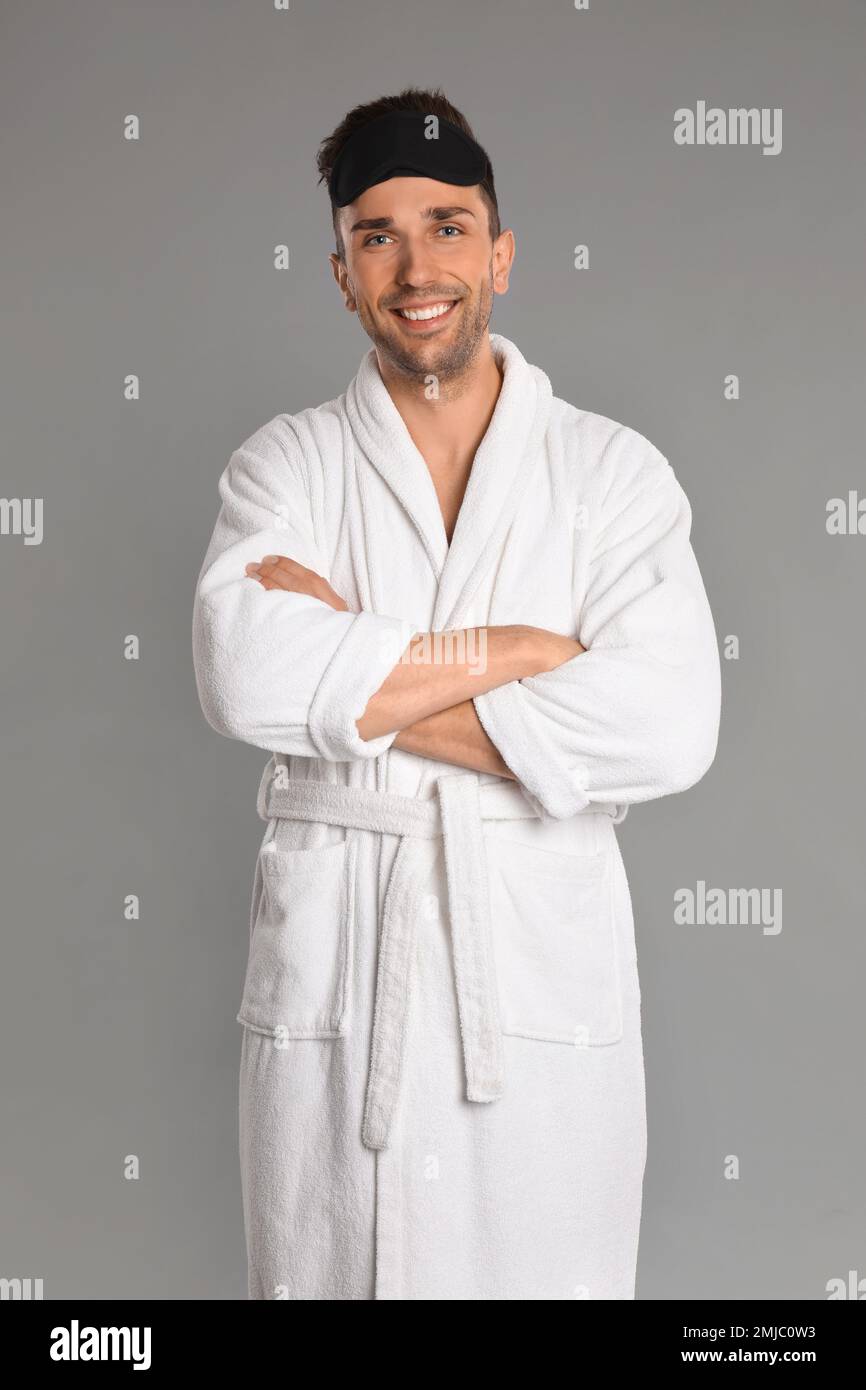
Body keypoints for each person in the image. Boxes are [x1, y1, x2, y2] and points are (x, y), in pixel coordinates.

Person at [192, 86, 721, 1301]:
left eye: (446, 224)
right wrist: (517, 649)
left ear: (501, 251)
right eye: (377, 233)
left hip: (534, 1006)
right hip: (336, 1016)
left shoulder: (609, 474)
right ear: (339, 271)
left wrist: (364, 687)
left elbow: (669, 720)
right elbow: (238, 669)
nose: (415, 264)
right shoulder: (286, 464)